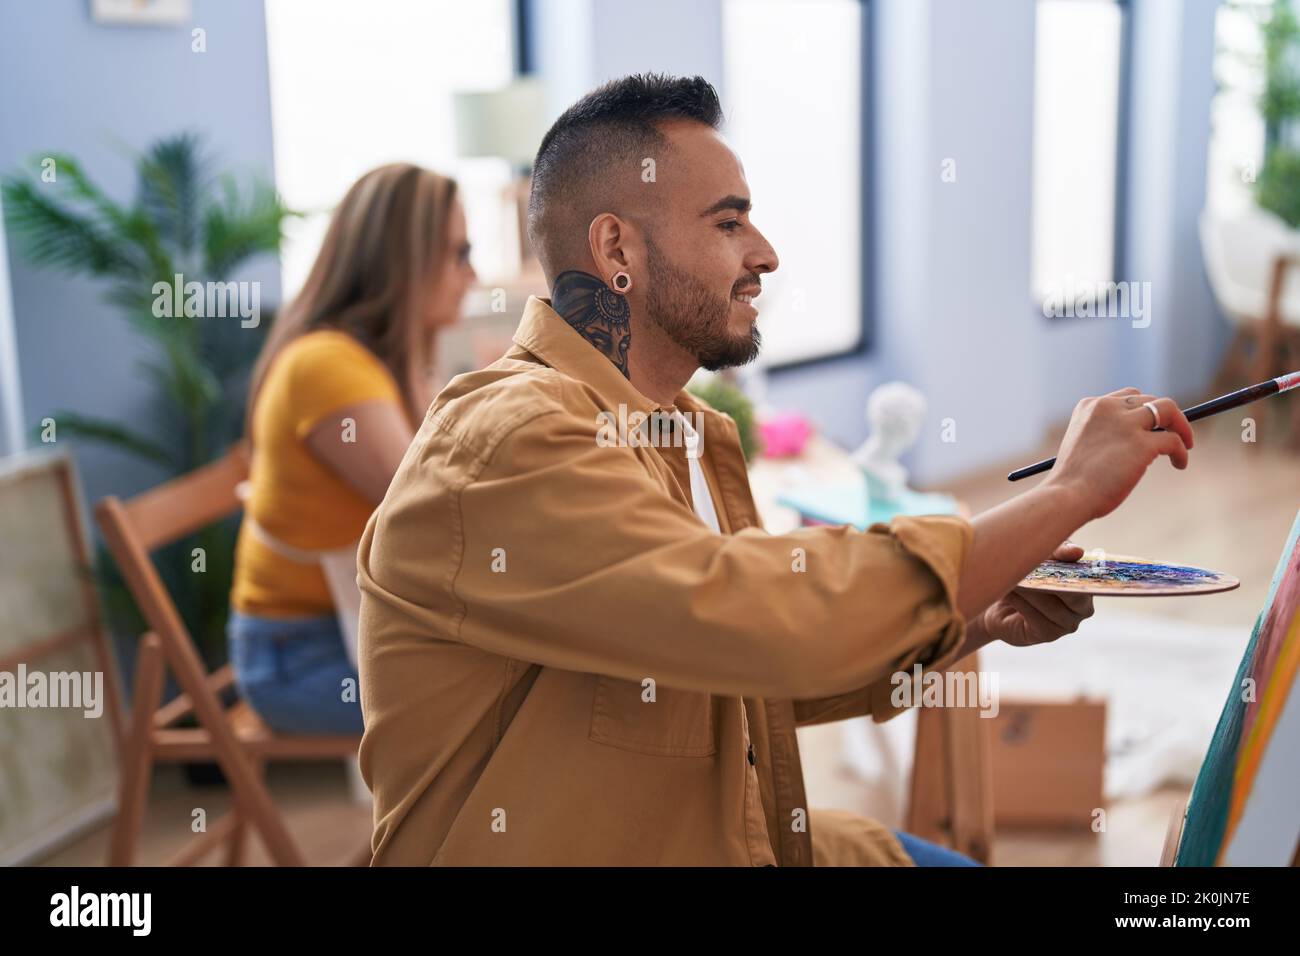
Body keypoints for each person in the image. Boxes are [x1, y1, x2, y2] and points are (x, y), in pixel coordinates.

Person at [356, 75, 1194, 865]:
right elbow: (771, 618)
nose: (766, 253)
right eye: (728, 223)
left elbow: (743, 681)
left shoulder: (668, 431)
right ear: (617, 248)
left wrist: (977, 614)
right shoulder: (512, 439)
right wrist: (1069, 491)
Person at [228, 163, 475, 735]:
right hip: (300, 659)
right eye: (459, 254)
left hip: (343, 630)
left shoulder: (379, 362)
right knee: (525, 700)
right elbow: (439, 512)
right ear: (405, 261)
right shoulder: (327, 368)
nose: (472, 273)